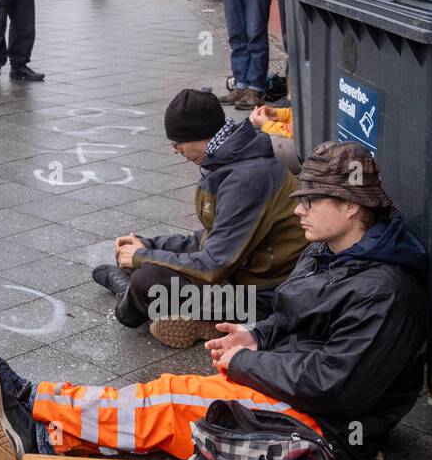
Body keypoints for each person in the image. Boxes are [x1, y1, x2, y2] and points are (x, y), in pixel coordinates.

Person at [0, 141, 431, 460]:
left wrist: (248, 360)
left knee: (176, 400)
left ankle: (35, 403)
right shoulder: (329, 249)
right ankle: (49, 433)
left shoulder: (385, 291)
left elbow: (338, 387)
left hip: (327, 427)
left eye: (310, 200)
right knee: (176, 404)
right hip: (296, 382)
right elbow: (292, 314)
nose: (299, 210)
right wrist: (257, 336)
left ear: (351, 207)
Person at [91, 89, 307, 347]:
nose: (175, 150)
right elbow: (211, 237)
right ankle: (198, 317)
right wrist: (151, 244)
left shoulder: (245, 177)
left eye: (177, 142)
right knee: (153, 273)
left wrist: (142, 257)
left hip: (268, 297)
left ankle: (126, 301)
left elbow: (214, 264)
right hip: (243, 274)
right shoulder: (227, 160)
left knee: (148, 283)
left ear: (199, 137)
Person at [250, 103, 300, 173]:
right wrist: (278, 114)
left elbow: (301, 134)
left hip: (309, 152)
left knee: (265, 144)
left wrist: (267, 124)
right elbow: (303, 113)